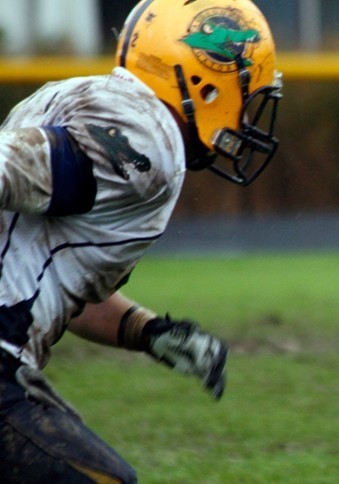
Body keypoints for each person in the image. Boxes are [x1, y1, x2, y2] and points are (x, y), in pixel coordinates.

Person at [0, 0, 282, 481]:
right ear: (206, 82)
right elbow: (12, 169)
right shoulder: (148, 142)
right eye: (246, 94)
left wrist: (147, 332)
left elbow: (54, 277)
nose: (248, 119)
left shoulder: (78, 94)